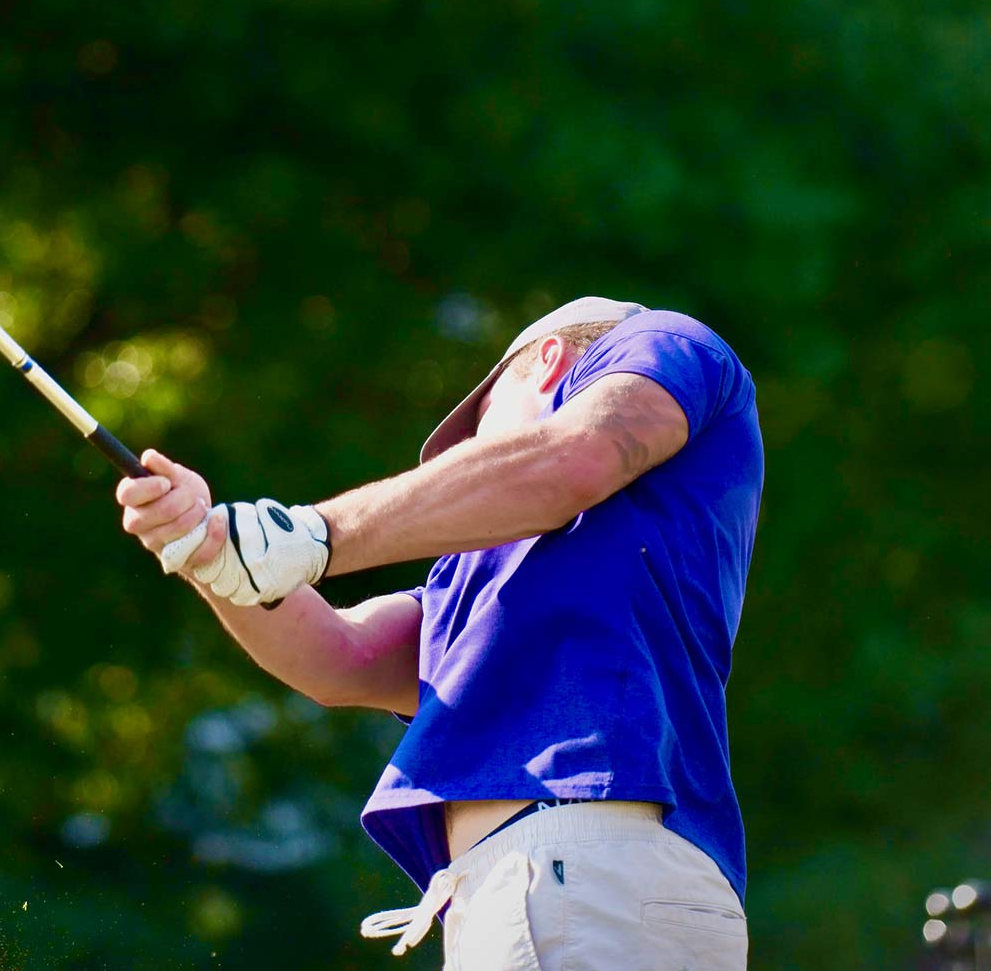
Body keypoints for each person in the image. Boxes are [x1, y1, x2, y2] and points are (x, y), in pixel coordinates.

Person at [116, 298, 761, 968]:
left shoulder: (665, 342)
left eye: (477, 432)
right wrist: (212, 549)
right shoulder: (474, 583)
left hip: (583, 865)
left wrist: (312, 534)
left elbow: (570, 460)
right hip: (551, 883)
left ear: (547, 363)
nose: (462, 475)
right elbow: (337, 658)